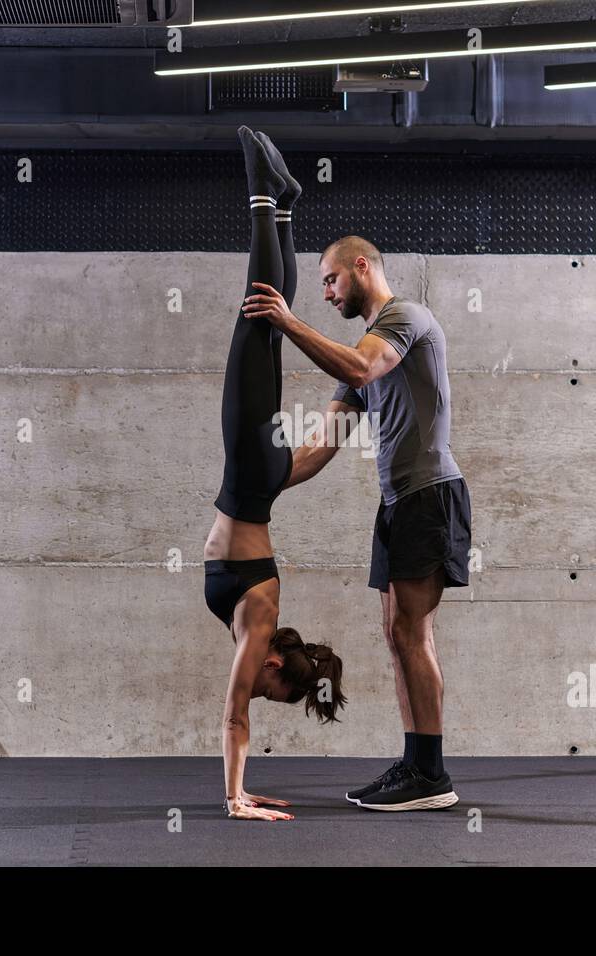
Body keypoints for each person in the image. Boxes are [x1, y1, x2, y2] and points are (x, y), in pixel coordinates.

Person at [241, 235, 469, 812]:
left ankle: (432, 774)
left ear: (360, 268)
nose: (324, 291)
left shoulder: (404, 319)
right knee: (398, 636)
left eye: (330, 279)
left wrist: (288, 324)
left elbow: (365, 366)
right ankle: (416, 762)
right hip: (397, 503)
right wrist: (255, 490)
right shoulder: (362, 356)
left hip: (429, 496)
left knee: (413, 633)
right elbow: (322, 446)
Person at [204, 127, 346, 822]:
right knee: (258, 316)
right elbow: (233, 715)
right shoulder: (258, 627)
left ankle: (283, 203)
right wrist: (236, 799)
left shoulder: (254, 628)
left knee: (261, 323)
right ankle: (265, 194)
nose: (264, 696)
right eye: (277, 693)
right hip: (250, 475)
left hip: (256, 482)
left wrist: (345, 413)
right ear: (274, 669)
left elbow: (317, 456)